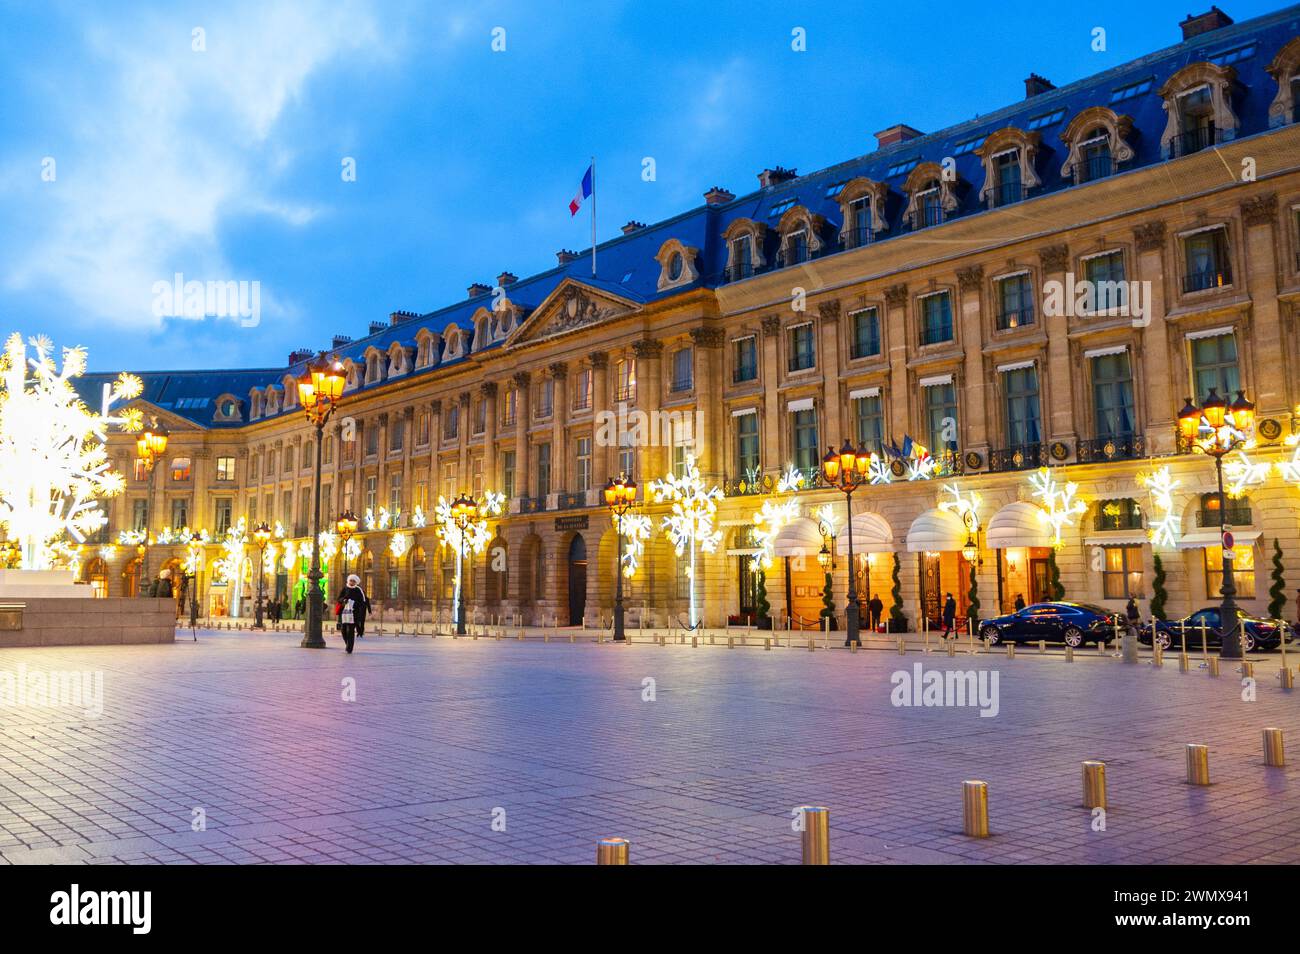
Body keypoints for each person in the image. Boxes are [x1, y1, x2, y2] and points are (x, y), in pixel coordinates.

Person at [335, 574, 371, 653]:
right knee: (343, 630)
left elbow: (363, 602)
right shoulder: (345, 588)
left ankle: (349, 648)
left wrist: (354, 604)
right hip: (344, 613)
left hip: (354, 614)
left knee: (350, 631)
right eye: (351, 580)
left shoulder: (358, 590)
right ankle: (348, 644)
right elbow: (339, 598)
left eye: (353, 581)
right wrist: (343, 600)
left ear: (356, 582)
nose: (352, 582)